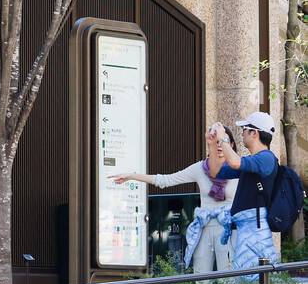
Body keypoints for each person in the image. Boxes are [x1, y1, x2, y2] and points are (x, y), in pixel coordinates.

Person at [111, 125, 238, 272]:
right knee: (201, 275)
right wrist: (132, 176)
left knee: (229, 276)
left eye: (224, 141)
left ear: (232, 145)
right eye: (215, 141)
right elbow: (166, 180)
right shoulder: (200, 168)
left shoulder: (239, 168)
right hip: (204, 227)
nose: (220, 145)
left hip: (228, 228)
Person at [207, 111, 280, 272]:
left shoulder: (266, 158)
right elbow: (215, 171)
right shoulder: (251, 161)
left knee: (253, 279)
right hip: (245, 228)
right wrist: (213, 144)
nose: (242, 133)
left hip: (255, 229)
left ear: (254, 133)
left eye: (244, 129)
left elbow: (233, 162)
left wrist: (223, 138)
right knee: (245, 278)